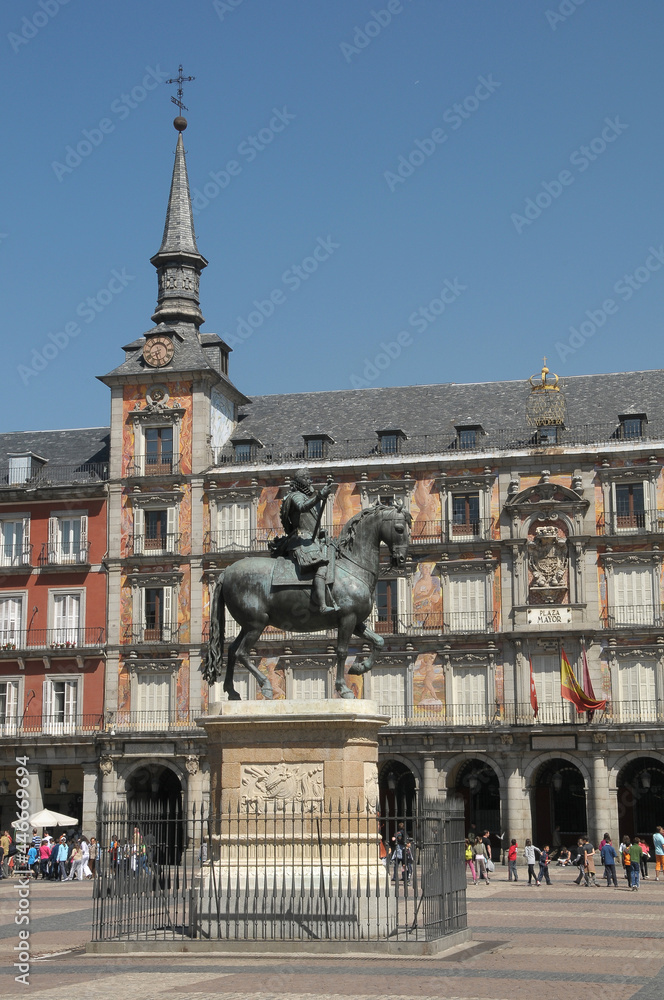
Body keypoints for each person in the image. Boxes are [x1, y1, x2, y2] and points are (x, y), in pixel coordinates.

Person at [271, 469, 337, 613]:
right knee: (321, 565)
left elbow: (310, 522)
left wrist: (320, 532)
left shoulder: (304, 496)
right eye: (307, 478)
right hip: (300, 539)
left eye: (310, 478)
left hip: (310, 538)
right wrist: (319, 496)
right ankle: (322, 605)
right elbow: (302, 507)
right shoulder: (295, 496)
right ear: (300, 480)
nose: (310, 481)